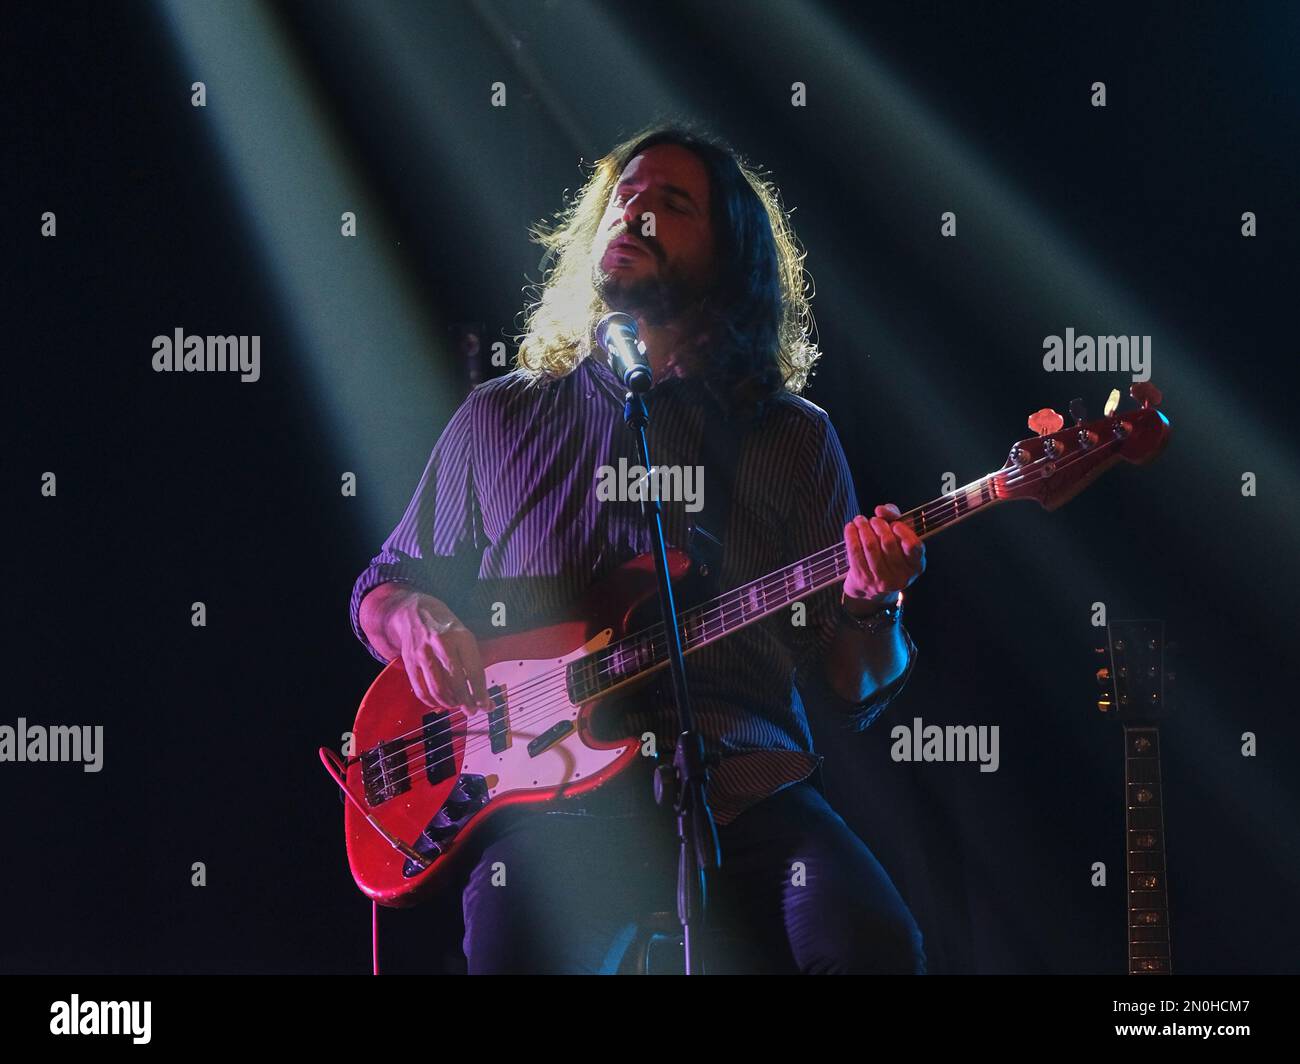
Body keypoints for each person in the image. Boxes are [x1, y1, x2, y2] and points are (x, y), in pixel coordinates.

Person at [351, 125, 928, 974]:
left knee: (873, 944)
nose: (636, 212)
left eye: (673, 204)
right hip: (551, 813)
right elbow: (384, 584)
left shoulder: (792, 441)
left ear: (728, 256)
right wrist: (418, 621)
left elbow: (854, 683)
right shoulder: (502, 416)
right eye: (625, 196)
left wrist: (878, 600)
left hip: (740, 785)